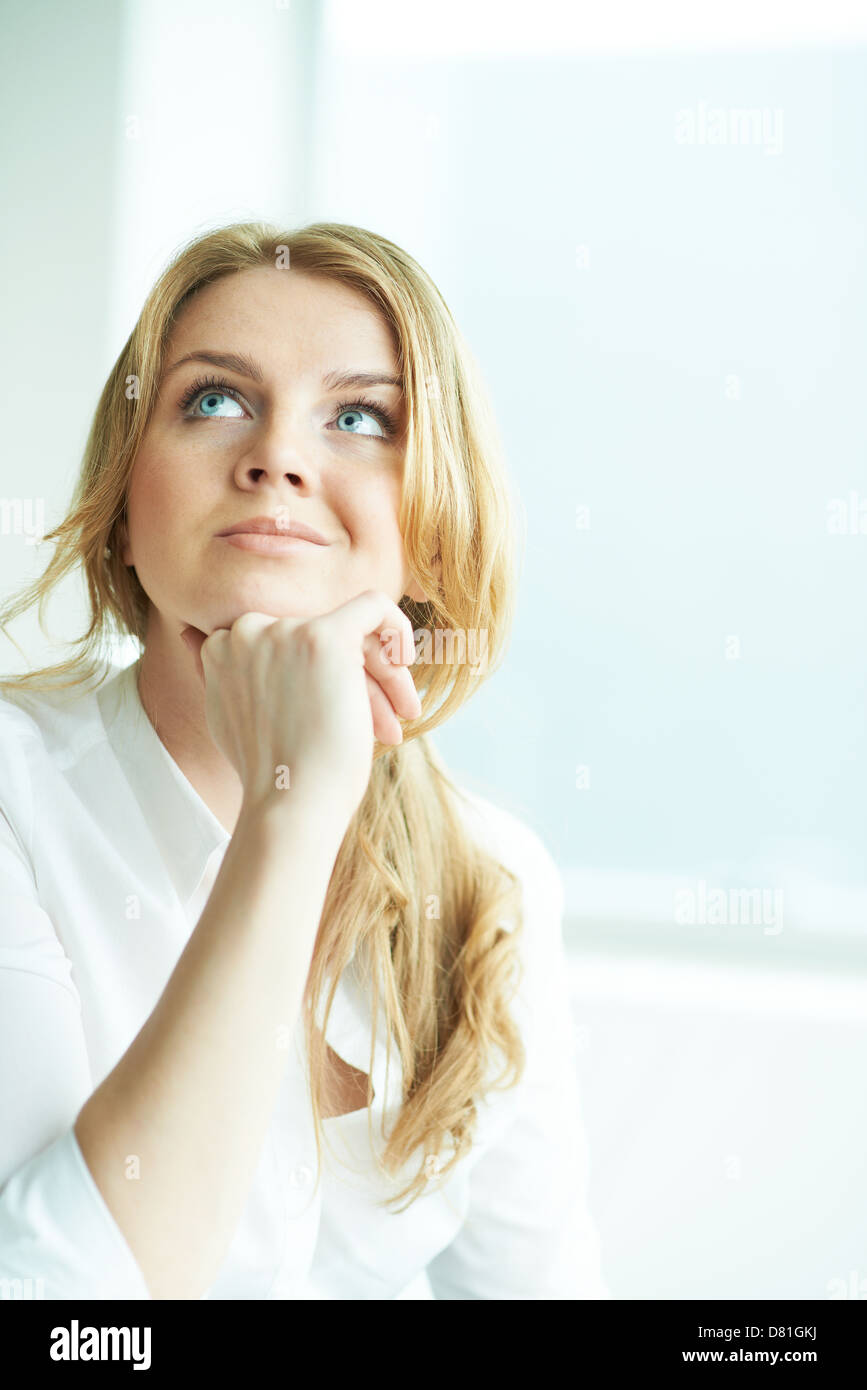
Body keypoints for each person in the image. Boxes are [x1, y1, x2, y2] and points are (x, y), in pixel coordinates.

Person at [0, 220, 609, 1300]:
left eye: (360, 416)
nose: (276, 455)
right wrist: (290, 816)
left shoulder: (493, 876)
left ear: (427, 529)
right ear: (123, 514)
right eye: (214, 399)